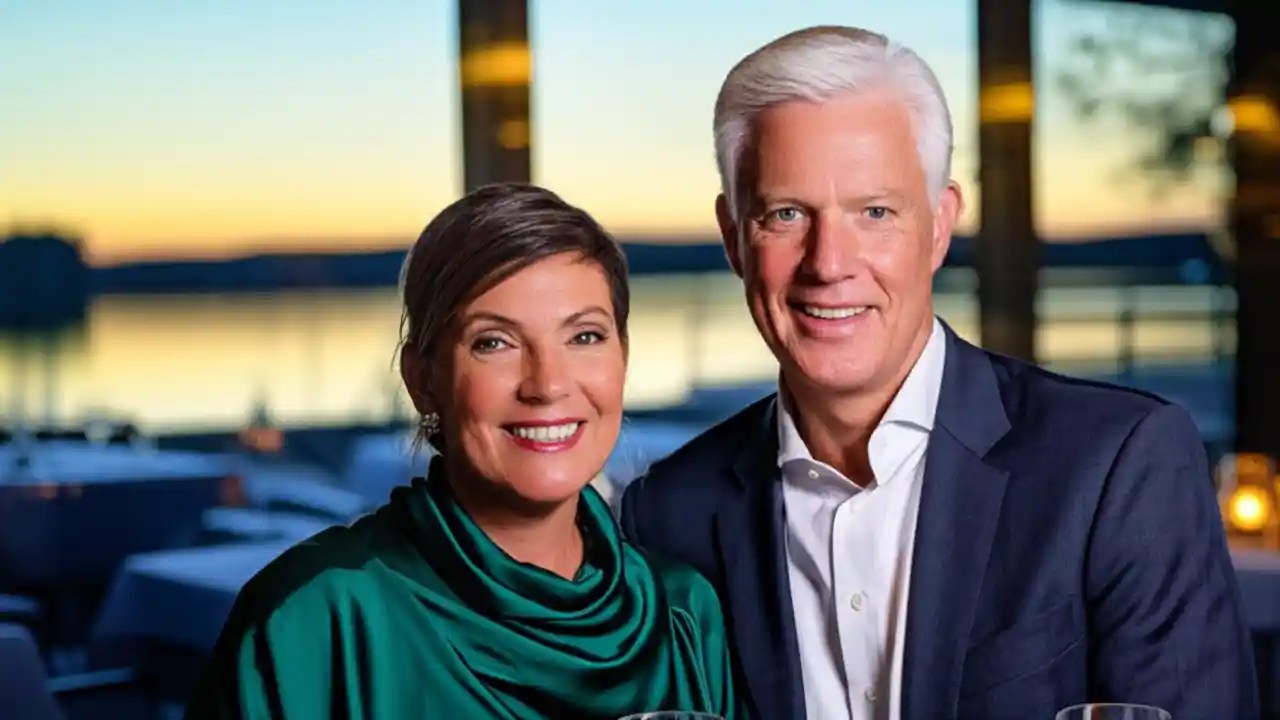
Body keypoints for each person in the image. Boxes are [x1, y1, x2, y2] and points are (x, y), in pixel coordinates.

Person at [620, 25, 1258, 720]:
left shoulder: (1118, 463)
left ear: (939, 225)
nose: (829, 263)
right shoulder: (669, 514)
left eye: (875, 212)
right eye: (786, 214)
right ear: (734, 237)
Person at [186, 183, 740, 719]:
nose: (547, 384)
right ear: (423, 379)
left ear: (623, 357)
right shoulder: (315, 616)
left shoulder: (684, 614)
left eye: (584, 337)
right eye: (493, 342)